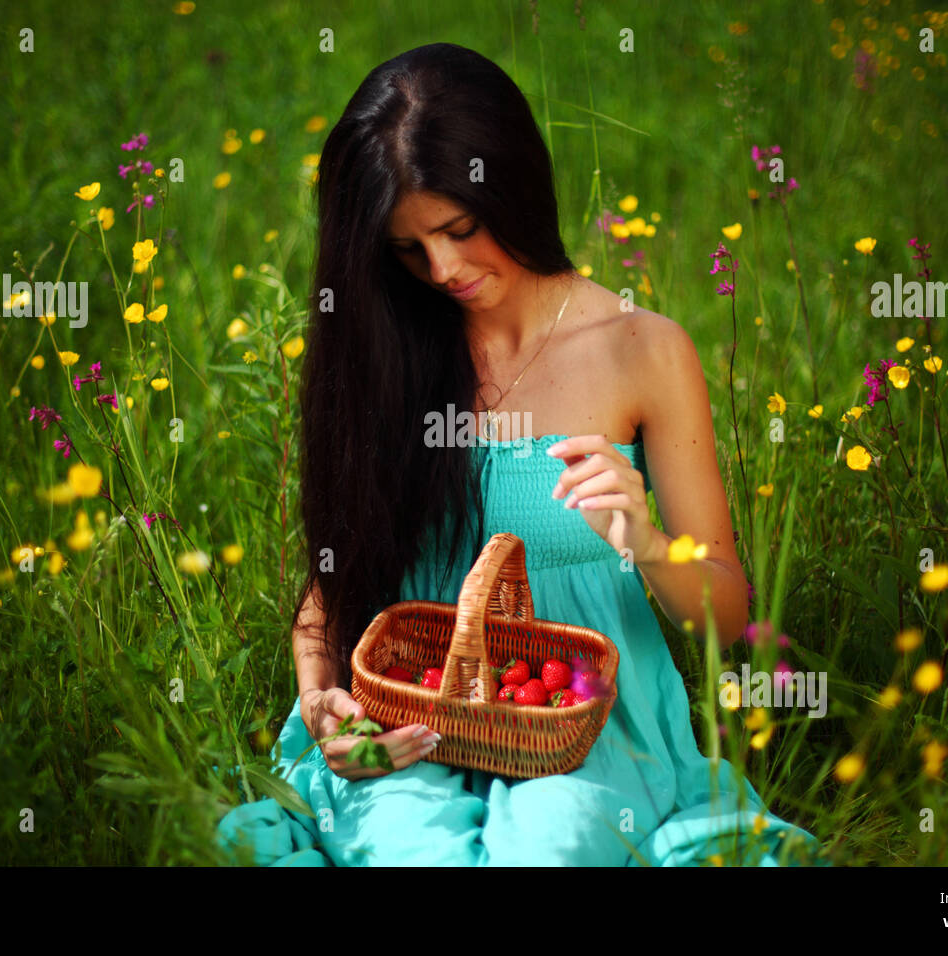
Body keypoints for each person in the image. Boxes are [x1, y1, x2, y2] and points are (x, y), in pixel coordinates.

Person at [216, 41, 825, 866]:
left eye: (460, 230)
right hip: (409, 724)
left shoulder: (641, 349)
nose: (442, 270)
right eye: (408, 249)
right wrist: (325, 706)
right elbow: (334, 581)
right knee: (405, 851)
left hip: (583, 738)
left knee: (553, 845)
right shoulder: (385, 345)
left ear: (510, 186)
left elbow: (728, 615)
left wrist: (646, 545)